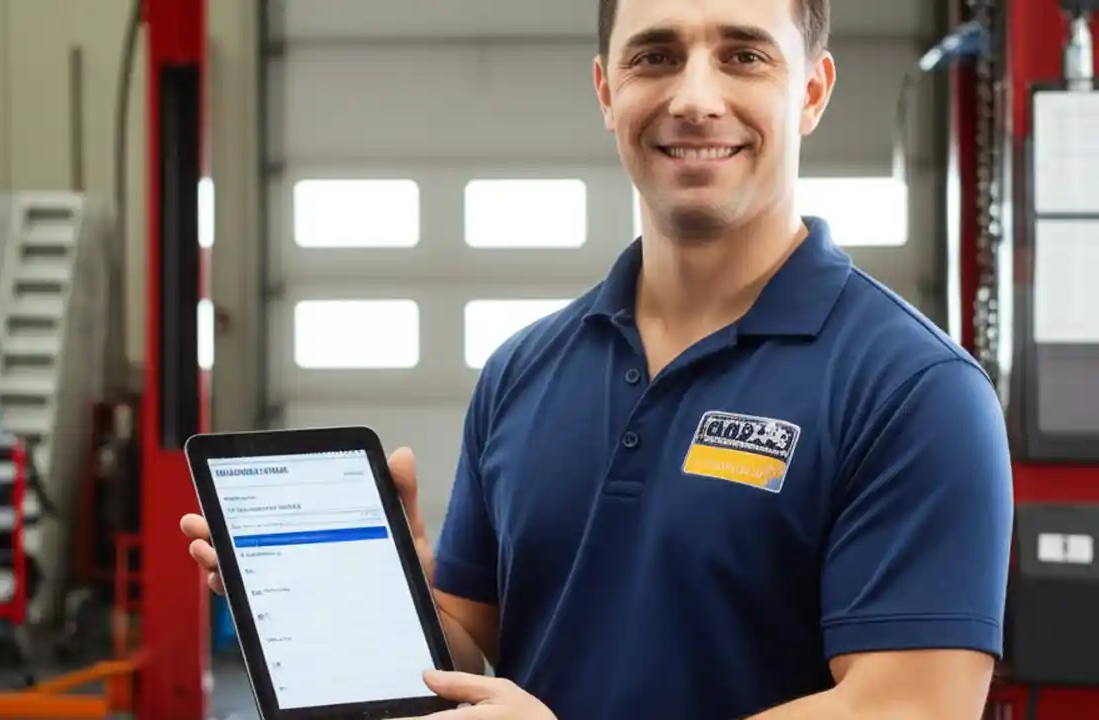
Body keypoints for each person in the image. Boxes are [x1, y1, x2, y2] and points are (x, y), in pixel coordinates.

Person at [182, 0, 1015, 717]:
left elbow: (908, 705)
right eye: (656, 56)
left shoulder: (915, 391)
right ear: (607, 91)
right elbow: (473, 646)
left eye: (743, 55)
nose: (695, 98)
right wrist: (383, 596)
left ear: (812, 91)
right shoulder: (524, 370)